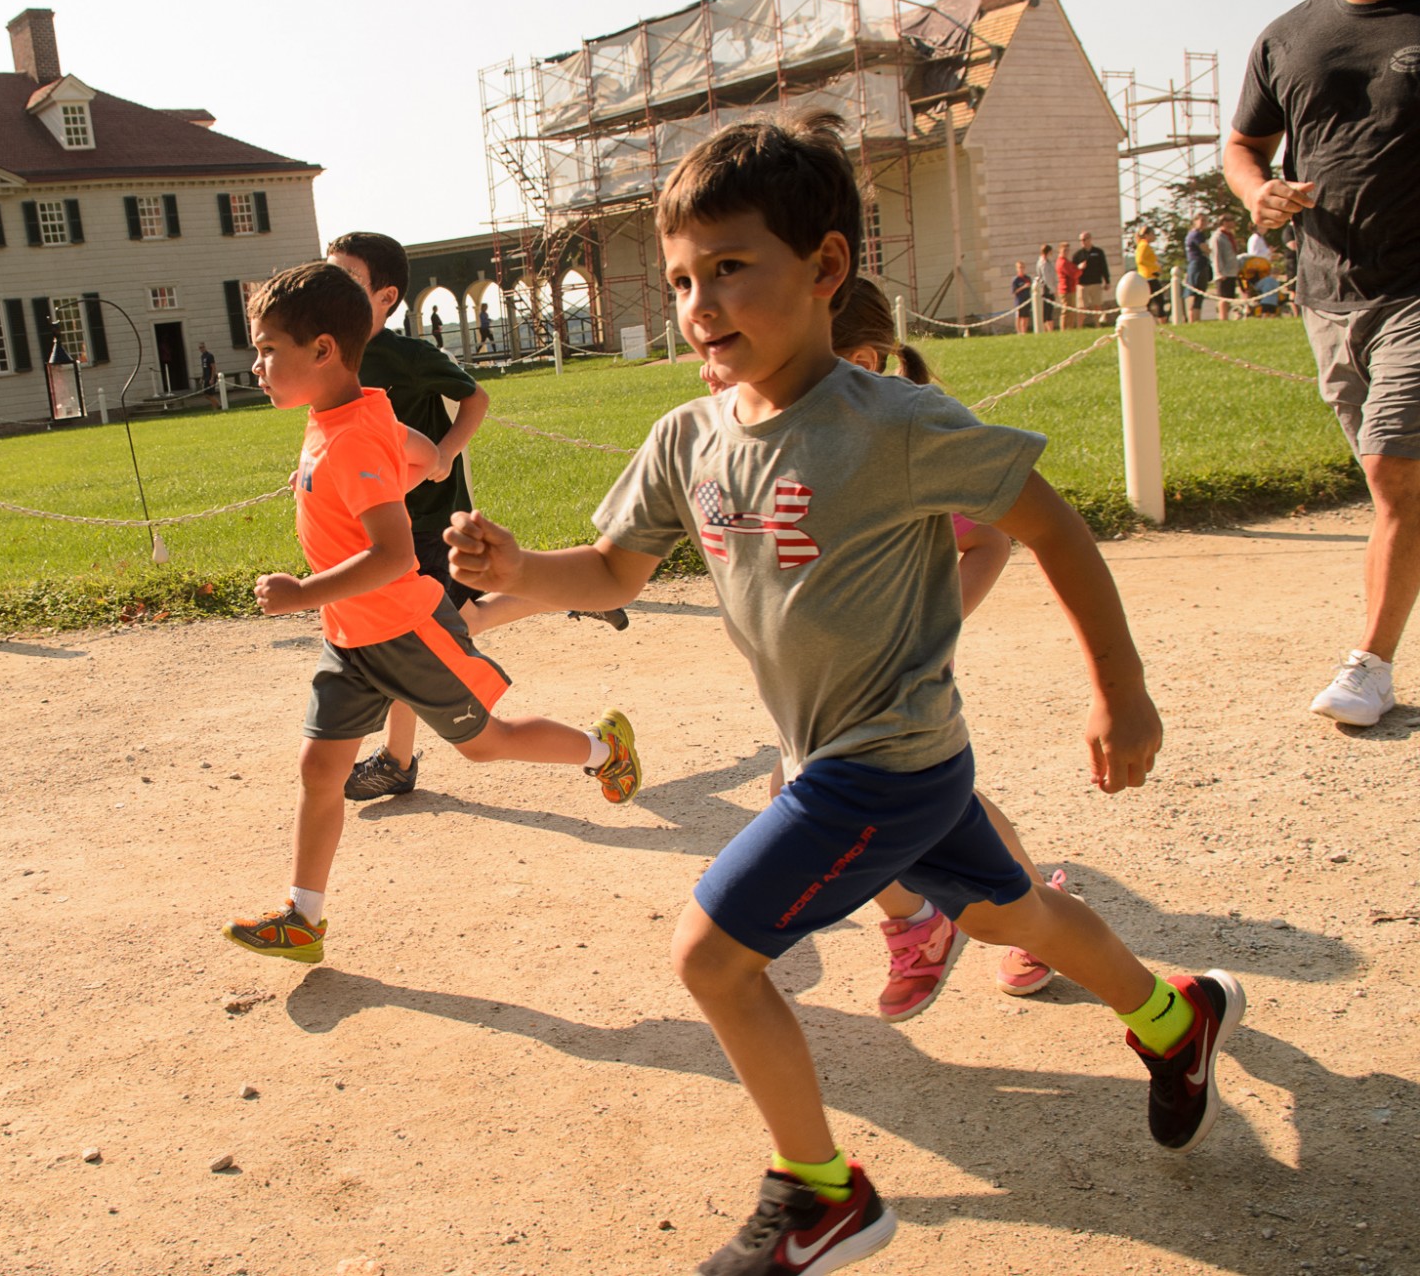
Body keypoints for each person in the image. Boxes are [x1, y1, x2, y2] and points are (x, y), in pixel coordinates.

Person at [446, 113, 1243, 1275]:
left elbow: (1051, 524)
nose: (699, 302)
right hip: (861, 761)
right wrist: (521, 568)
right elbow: (613, 571)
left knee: (710, 957)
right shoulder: (685, 438)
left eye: (729, 266)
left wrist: (1119, 694)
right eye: (681, 279)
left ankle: (820, 1196)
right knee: (1011, 914)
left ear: (825, 267)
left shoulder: (893, 425)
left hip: (884, 763)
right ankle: (1174, 1019)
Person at [219, 262, 641, 965]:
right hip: (351, 638)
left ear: (322, 350)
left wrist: (300, 593)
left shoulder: (352, 435)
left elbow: (392, 557)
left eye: (267, 349)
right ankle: (303, 918)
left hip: (405, 631)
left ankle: (605, 750)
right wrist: (395, 470)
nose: (256, 365)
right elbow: (419, 455)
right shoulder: (345, 415)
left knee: (487, 744)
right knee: (321, 770)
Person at [786, 277, 1071, 1016]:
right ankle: (930, 920)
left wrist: (932, 628)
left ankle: (1020, 913)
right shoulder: (788, 434)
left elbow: (990, 538)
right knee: (843, 796)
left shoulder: (906, 441)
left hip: (896, 667)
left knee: (906, 794)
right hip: (819, 674)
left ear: (860, 360)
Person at [327, 231, 627, 803]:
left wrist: (443, 454)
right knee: (452, 622)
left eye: (346, 278)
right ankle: (575, 590)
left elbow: (476, 398)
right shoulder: (332, 354)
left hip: (424, 520)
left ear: (386, 297)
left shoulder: (407, 355)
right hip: (377, 519)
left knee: (414, 631)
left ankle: (397, 760)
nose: (331, 287)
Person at [1227, 0, 1420, 727]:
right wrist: (1257, 192)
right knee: (1395, 483)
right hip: (1328, 295)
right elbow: (1244, 145)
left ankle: (1370, 667)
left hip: (1415, 292)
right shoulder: (1288, 36)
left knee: (1394, 470)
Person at [1072, 231, 1111, 325]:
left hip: (1096, 283)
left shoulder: (1098, 252)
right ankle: (1080, 327)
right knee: (1081, 307)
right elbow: (1072, 270)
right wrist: (1078, 267)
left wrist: (1107, 281)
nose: (1082, 242)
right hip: (1082, 284)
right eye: (1080, 240)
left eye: (1084, 239)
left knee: (1097, 305)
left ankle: (1098, 325)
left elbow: (1104, 267)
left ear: (1090, 239)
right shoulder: (1077, 254)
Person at [1185, 212, 1214, 320]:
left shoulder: (1197, 234)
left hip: (1199, 264)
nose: (1204, 223)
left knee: (1199, 294)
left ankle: (1196, 318)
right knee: (1195, 292)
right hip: (1197, 264)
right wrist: (1208, 250)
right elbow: (1205, 248)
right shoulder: (1196, 235)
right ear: (1195, 221)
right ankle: (1193, 318)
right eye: (1202, 220)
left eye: (1206, 221)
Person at [1134, 225, 1166, 319]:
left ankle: (1155, 320)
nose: (1154, 236)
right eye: (1152, 234)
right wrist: (1155, 267)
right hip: (1148, 277)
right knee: (1159, 301)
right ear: (1146, 235)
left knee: (1151, 302)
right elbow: (1140, 260)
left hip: (1149, 276)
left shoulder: (1144, 245)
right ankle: (1161, 320)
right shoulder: (1144, 245)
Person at [1212, 219, 1242, 318]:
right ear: (1224, 222)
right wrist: (1219, 272)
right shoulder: (1218, 237)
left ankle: (1227, 317)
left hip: (1232, 271)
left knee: (1229, 297)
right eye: (1230, 220)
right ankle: (1223, 318)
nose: (1233, 223)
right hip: (1223, 272)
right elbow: (1216, 255)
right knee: (1223, 297)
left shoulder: (1229, 236)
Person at [1034, 244, 1059, 331]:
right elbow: (1047, 278)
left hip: (1048, 289)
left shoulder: (1047, 262)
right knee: (1047, 311)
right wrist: (1054, 290)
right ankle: (1048, 330)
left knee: (1048, 311)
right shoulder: (1043, 263)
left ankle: (1048, 329)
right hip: (1046, 290)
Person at [1055, 246, 1081, 330]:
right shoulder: (1062, 262)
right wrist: (1079, 269)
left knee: (1071, 310)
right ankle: (1063, 328)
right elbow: (1073, 274)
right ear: (1059, 251)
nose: (1066, 252)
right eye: (1064, 250)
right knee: (1066, 310)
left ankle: (1070, 327)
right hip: (1066, 289)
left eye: (1067, 250)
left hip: (1071, 288)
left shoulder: (1066, 261)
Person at [1010, 260, 1033, 334]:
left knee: (1026, 317)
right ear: (1017, 269)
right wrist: (1023, 287)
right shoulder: (1016, 280)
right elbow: (1014, 291)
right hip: (1019, 301)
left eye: (1023, 267)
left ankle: (1024, 331)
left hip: (1027, 299)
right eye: (1020, 267)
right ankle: (1019, 332)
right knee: (1019, 317)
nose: (1021, 269)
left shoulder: (1027, 278)